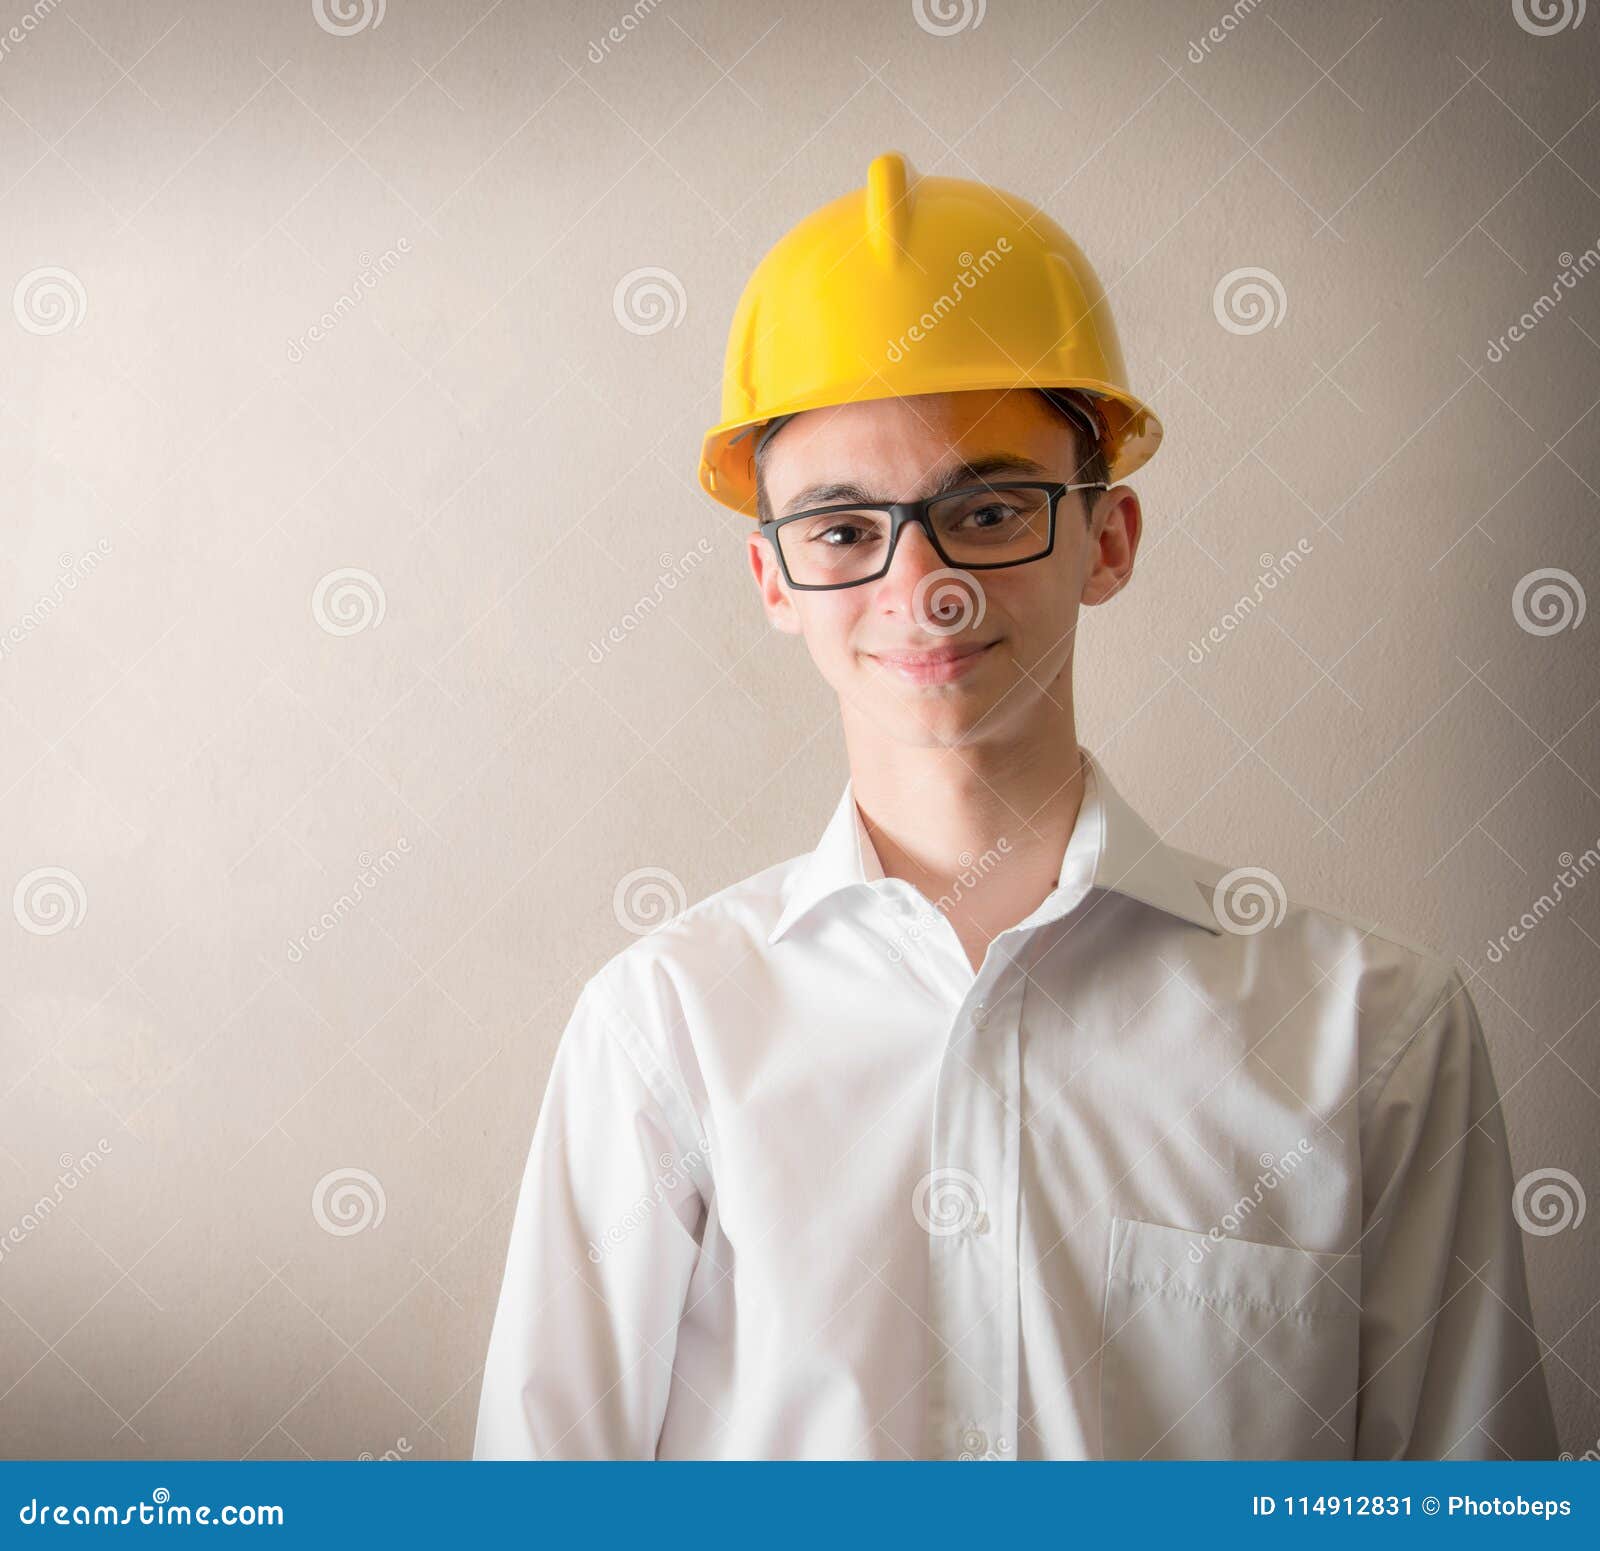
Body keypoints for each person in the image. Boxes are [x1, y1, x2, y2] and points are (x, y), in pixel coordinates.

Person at [473, 152, 1559, 1461]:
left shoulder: (1375, 1036)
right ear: (772, 578)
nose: (921, 583)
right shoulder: (666, 1030)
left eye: (987, 508)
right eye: (842, 530)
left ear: (1108, 538)